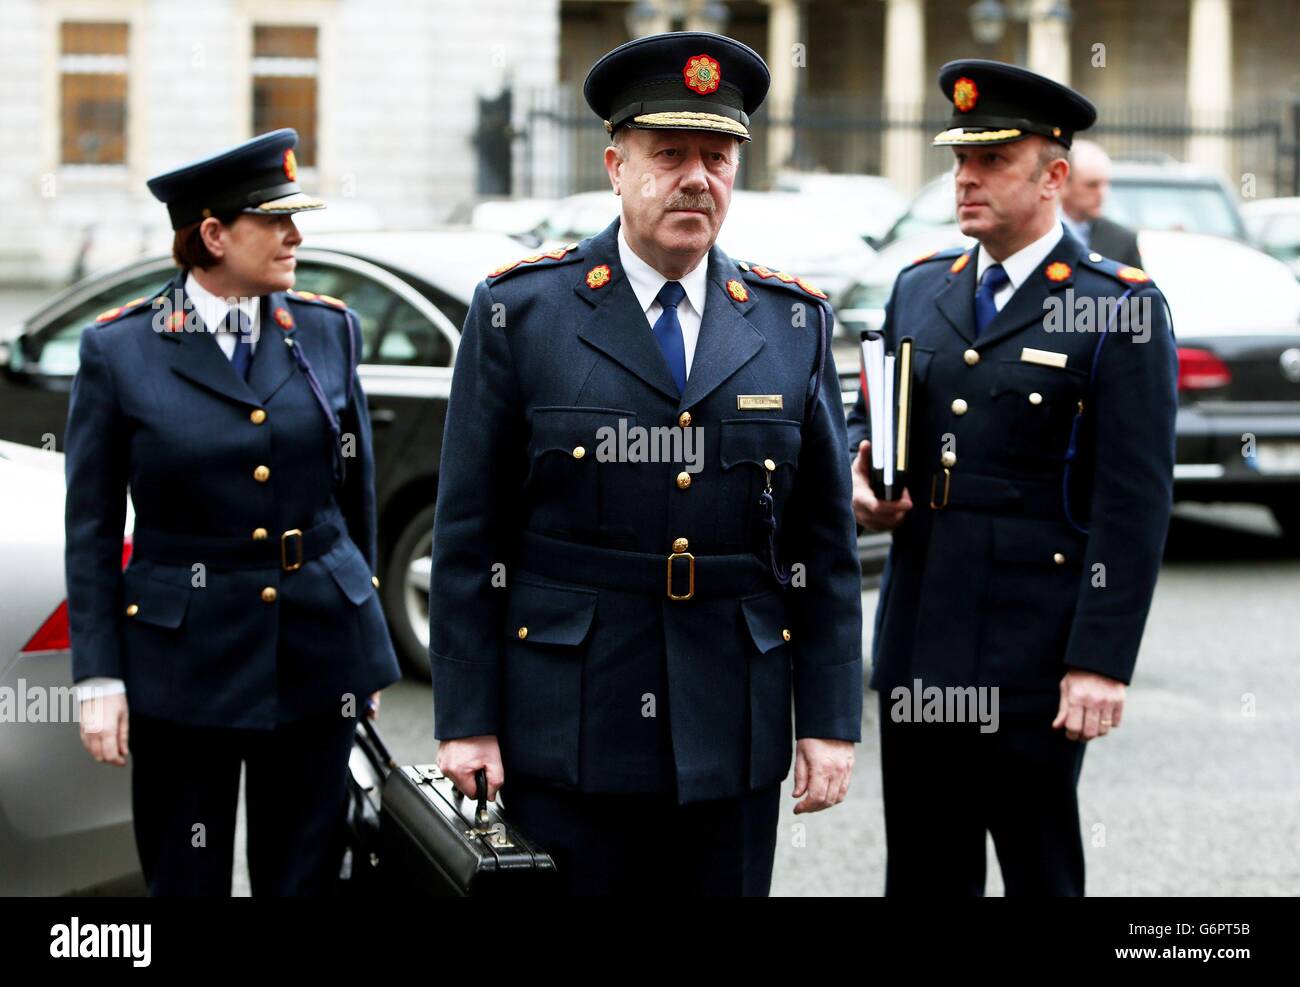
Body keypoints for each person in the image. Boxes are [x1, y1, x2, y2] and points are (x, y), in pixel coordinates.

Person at [429, 31, 862, 896]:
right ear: (617, 165)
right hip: (570, 725)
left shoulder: (790, 322)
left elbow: (825, 545)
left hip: (731, 729)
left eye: (718, 155)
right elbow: (468, 535)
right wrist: (467, 722)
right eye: (670, 154)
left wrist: (827, 718)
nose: (697, 177)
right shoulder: (526, 312)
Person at [848, 60, 1177, 896]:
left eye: (992, 160)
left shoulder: (1117, 306)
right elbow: (876, 422)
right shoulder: (920, 288)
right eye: (961, 160)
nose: (966, 177)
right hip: (922, 633)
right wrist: (864, 478)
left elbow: (1132, 503)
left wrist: (1100, 661)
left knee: (1039, 869)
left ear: (1054, 176)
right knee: (922, 870)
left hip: (1035, 649)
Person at [66, 128, 401, 896]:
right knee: (186, 875)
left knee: (305, 872)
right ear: (213, 234)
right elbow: (88, 529)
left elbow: (353, 496)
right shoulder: (120, 350)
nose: (296, 236)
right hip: (182, 661)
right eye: (274, 220)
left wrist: (363, 633)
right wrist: (98, 678)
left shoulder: (326, 327)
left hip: (316, 649)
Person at [1060, 138, 1143, 268]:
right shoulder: (1038, 232)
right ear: (1063, 183)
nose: (1102, 194)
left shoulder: (1122, 240)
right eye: (1092, 185)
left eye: (1106, 184)